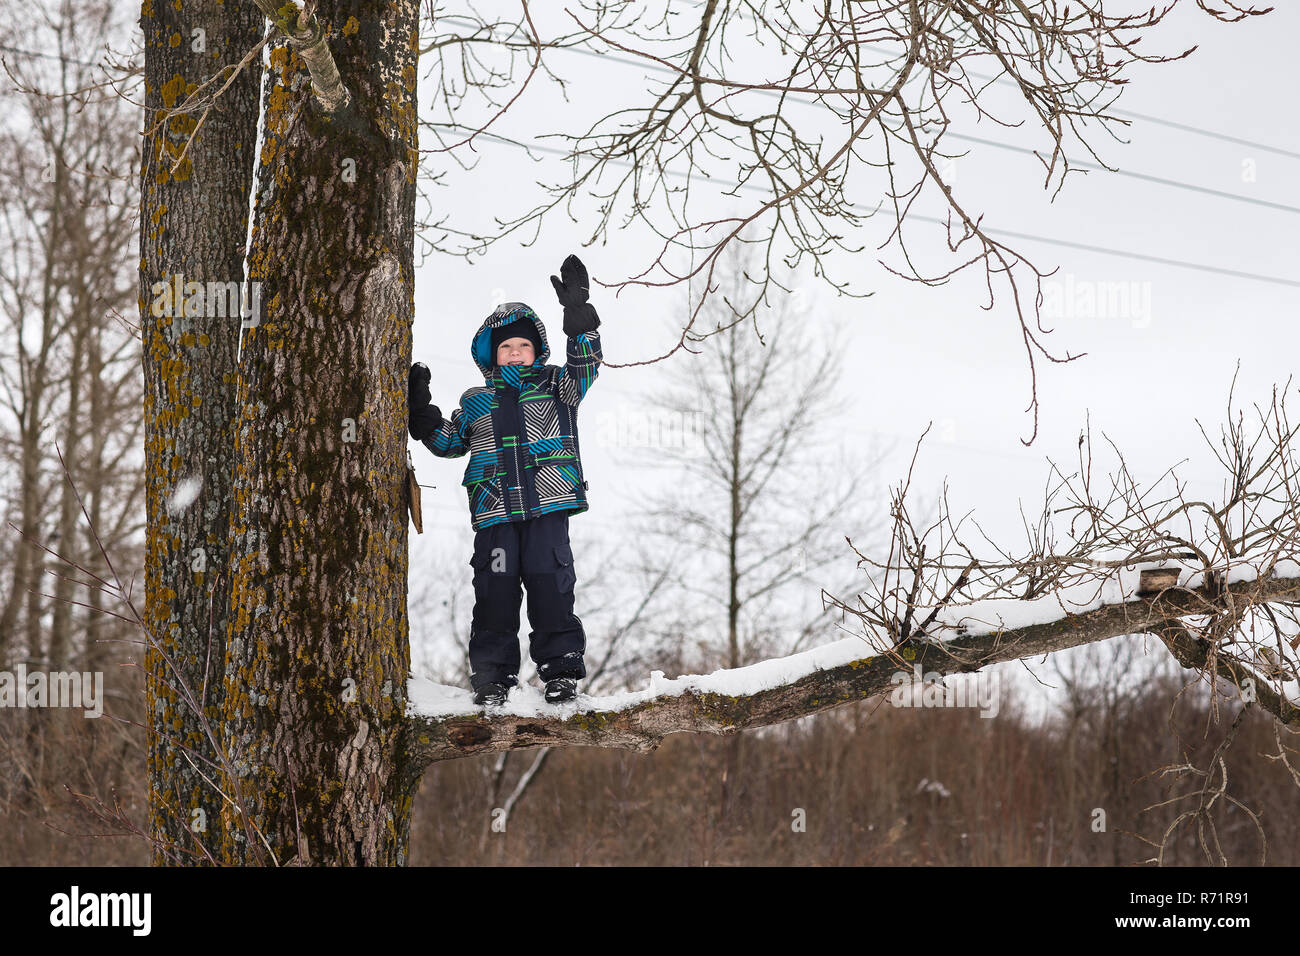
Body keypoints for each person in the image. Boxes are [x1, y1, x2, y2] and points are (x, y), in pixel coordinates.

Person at [408, 255, 602, 706]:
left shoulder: (558, 387)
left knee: (551, 583)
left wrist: (580, 325)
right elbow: (448, 443)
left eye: (523, 346)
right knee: (494, 591)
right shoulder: (476, 401)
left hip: (547, 507)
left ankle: (560, 671)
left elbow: (586, 367)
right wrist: (420, 412)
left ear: (537, 353)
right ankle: (493, 677)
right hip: (494, 512)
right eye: (506, 348)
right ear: (491, 356)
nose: (515, 353)